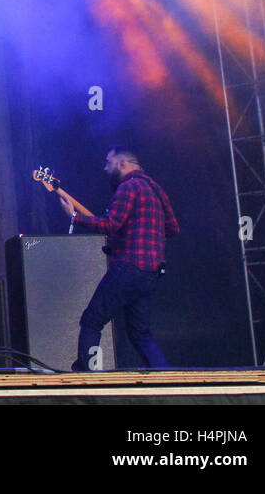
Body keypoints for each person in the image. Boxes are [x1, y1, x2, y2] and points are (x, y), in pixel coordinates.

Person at [54, 146, 179, 371]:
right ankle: (166, 378)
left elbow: (110, 225)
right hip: (152, 271)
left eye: (108, 162)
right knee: (140, 332)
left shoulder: (128, 187)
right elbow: (173, 229)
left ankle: (85, 374)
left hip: (129, 267)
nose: (105, 167)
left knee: (92, 320)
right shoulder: (156, 189)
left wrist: (74, 216)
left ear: (122, 164)